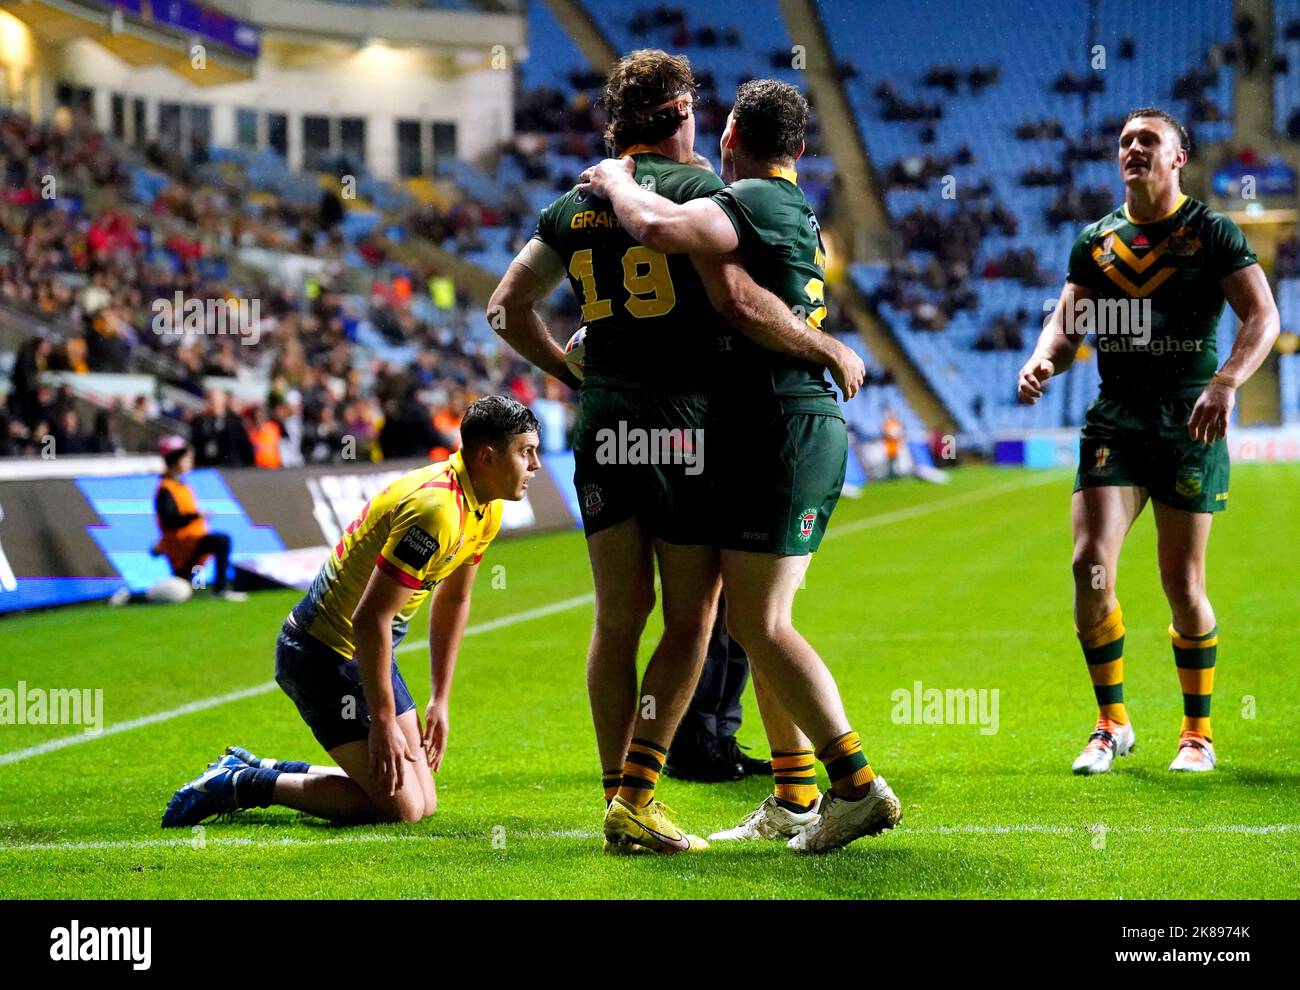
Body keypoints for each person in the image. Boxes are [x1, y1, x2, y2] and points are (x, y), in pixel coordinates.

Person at [490, 51, 863, 854]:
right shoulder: (706, 193)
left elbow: (504, 308)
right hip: (683, 427)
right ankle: (639, 793)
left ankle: (613, 798)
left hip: (603, 423)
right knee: (695, 618)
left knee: (617, 620)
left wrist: (567, 369)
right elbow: (740, 298)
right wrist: (823, 344)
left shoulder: (572, 205)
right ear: (685, 116)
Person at [581, 78, 900, 852]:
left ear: (729, 137)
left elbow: (667, 239)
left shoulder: (755, 197)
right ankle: (794, 797)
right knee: (751, 622)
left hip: (783, 426)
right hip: (755, 428)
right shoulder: (777, 204)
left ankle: (856, 787)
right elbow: (719, 294)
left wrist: (617, 177)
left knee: (761, 620)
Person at [1016, 107, 1278, 775]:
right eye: (1126, 140)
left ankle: (1197, 734)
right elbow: (1067, 321)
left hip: (1190, 422)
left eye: (1148, 140)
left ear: (1177, 159)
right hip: (1117, 421)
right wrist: (1045, 356)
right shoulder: (1096, 240)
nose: (1133, 148)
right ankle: (1111, 723)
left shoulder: (1211, 232)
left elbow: (1263, 316)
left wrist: (1226, 381)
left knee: (1182, 584)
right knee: (1088, 565)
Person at [161, 396, 541, 827]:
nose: (537, 465)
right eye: (526, 452)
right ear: (488, 456)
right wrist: (382, 722)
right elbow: (369, 618)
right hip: (321, 653)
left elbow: (453, 599)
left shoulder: (484, 505)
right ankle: (239, 785)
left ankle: (257, 767)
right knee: (402, 808)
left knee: (423, 799)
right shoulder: (436, 511)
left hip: (362, 651)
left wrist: (440, 698)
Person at [153, 436, 247, 602]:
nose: (190, 462)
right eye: (186, 458)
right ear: (176, 460)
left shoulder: (180, 486)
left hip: (191, 543)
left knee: (189, 581)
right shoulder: (166, 489)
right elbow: (170, 520)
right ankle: (220, 589)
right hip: (182, 546)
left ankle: (212, 588)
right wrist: (196, 516)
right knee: (221, 541)